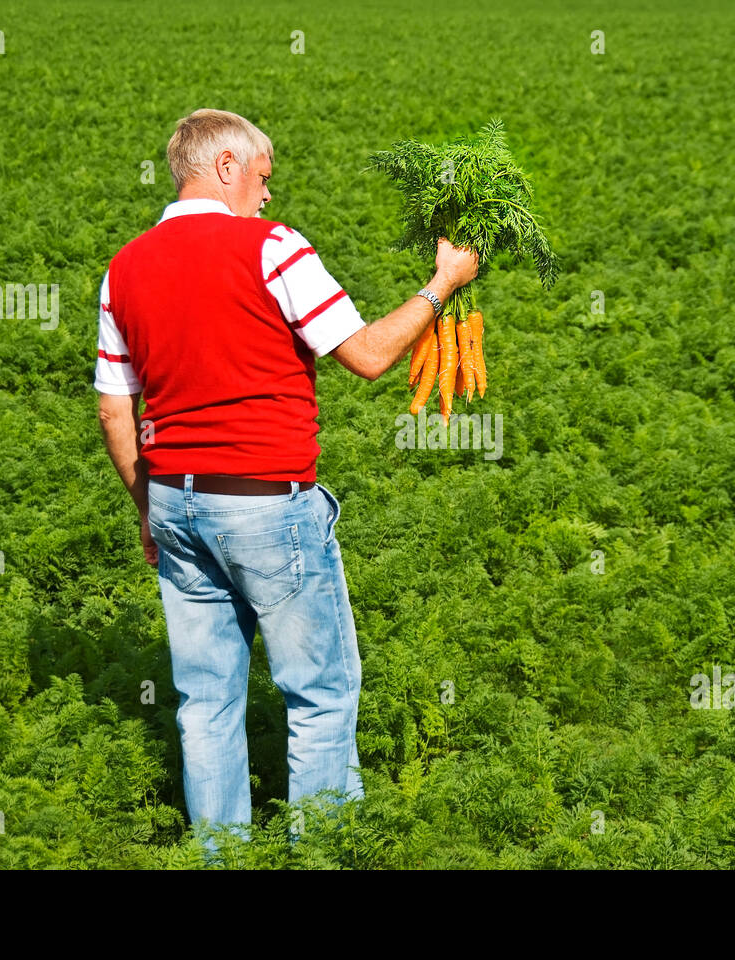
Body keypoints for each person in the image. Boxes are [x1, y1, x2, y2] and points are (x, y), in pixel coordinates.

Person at [94, 108, 478, 857]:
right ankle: (326, 850)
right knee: (319, 692)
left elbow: (115, 411)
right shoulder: (272, 248)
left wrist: (149, 509)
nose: (268, 195)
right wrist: (442, 284)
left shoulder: (125, 266)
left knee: (203, 703)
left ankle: (223, 856)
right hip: (266, 502)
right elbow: (366, 355)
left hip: (175, 498)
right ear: (228, 166)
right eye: (264, 177)